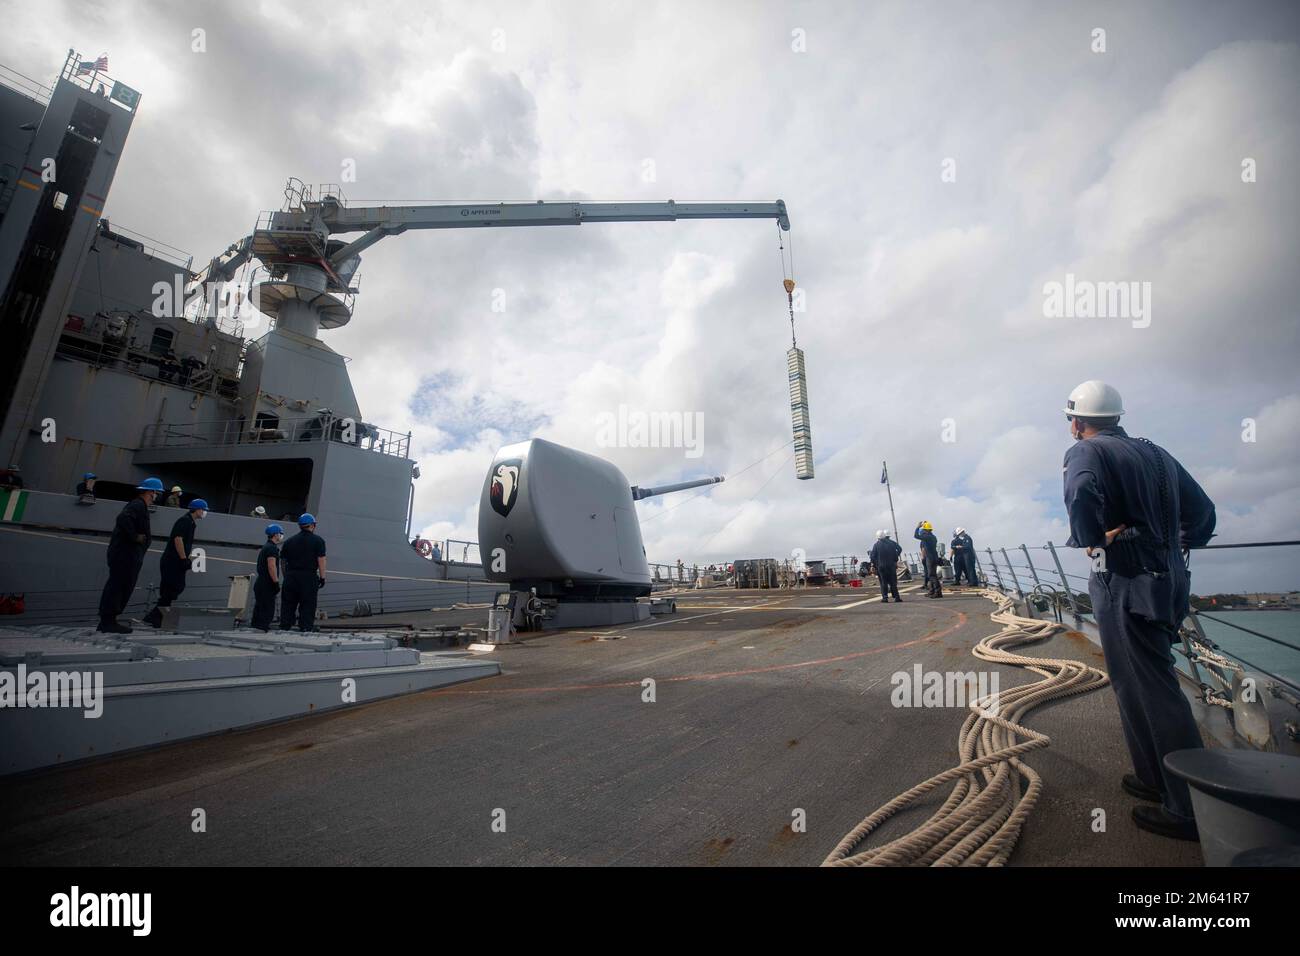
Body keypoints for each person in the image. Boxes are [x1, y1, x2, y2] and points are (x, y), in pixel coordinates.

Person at [1061, 380, 1215, 841]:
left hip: (1125, 581)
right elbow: (1203, 512)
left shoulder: (1085, 453)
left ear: (1078, 422)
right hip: (1169, 579)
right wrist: (1174, 545)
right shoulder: (1158, 454)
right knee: (1133, 681)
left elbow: (1082, 494)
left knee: (1154, 689)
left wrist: (1094, 540)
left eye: (1071, 419)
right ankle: (1153, 777)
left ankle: (1189, 809)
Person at [97, 477, 162, 632]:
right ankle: (108, 621)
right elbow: (123, 518)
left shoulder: (139, 506)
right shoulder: (137, 505)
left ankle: (107, 620)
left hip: (128, 554)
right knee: (119, 586)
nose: (156, 496)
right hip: (126, 555)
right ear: (150, 492)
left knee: (121, 585)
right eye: (156, 493)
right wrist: (134, 536)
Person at [143, 498, 207, 627]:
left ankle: (156, 616)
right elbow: (178, 539)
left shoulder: (190, 522)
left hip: (176, 561)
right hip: (173, 561)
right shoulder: (185, 521)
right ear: (198, 509)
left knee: (174, 589)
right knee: (170, 589)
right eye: (204, 510)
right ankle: (155, 617)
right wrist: (184, 559)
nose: (205, 513)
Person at [279, 513, 327, 631]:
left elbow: (283, 561)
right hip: (308, 576)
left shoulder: (289, 541)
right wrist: (322, 577)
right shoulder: (318, 541)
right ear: (312, 525)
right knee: (307, 604)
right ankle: (305, 628)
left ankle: (285, 627)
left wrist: (286, 576)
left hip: (291, 576)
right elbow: (321, 560)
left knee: (288, 604)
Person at [251, 523, 284, 631]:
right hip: (267, 583)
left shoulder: (266, 547)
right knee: (267, 608)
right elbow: (271, 566)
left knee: (259, 607)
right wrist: (275, 582)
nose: (281, 536)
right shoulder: (272, 549)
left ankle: (256, 627)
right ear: (276, 535)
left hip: (261, 582)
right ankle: (262, 628)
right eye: (280, 534)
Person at [870, 530, 903, 602]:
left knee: (883, 582)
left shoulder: (876, 545)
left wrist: (874, 565)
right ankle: (897, 597)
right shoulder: (891, 544)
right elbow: (895, 556)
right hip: (891, 566)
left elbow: (872, 556)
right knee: (893, 582)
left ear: (877, 537)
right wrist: (894, 561)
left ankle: (885, 598)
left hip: (881, 567)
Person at [914, 520, 942, 598]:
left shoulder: (927, 537)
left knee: (932, 575)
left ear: (926, 530)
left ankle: (938, 592)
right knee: (932, 575)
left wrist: (918, 527)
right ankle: (932, 591)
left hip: (930, 558)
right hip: (934, 557)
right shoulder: (933, 536)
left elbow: (916, 536)